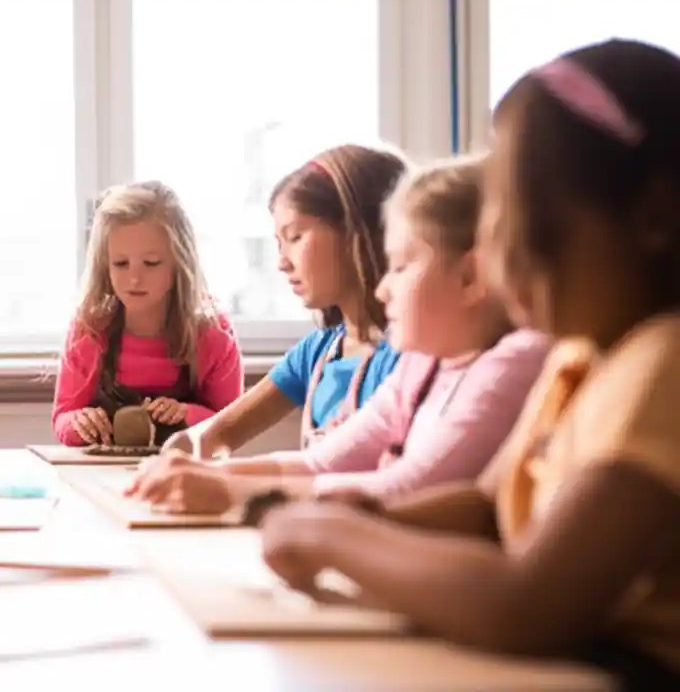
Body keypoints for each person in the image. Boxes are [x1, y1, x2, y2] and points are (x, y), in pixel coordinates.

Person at [259, 39, 680, 687]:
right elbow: (488, 507)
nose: (496, 245)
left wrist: (332, 539)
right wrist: (370, 517)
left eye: (524, 212)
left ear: (654, 218)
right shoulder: (581, 357)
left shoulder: (663, 366)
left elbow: (530, 602)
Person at [128, 157, 549, 512]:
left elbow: (409, 488)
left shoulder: (514, 363)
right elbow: (317, 464)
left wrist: (229, 490)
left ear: (470, 276)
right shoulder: (423, 363)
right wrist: (207, 474)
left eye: (401, 267)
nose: (385, 287)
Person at [160, 145, 408, 460]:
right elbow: (212, 436)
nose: (281, 262)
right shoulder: (316, 352)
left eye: (294, 237)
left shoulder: (409, 356)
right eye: (278, 244)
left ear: (357, 232)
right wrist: (174, 456)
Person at [52, 181, 243, 446]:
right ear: (104, 266)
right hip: (101, 476)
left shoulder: (212, 333)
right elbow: (62, 418)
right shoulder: (89, 330)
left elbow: (233, 427)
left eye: (151, 263)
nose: (134, 278)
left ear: (179, 263)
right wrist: (80, 423)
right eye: (120, 264)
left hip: (183, 477)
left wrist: (187, 415)